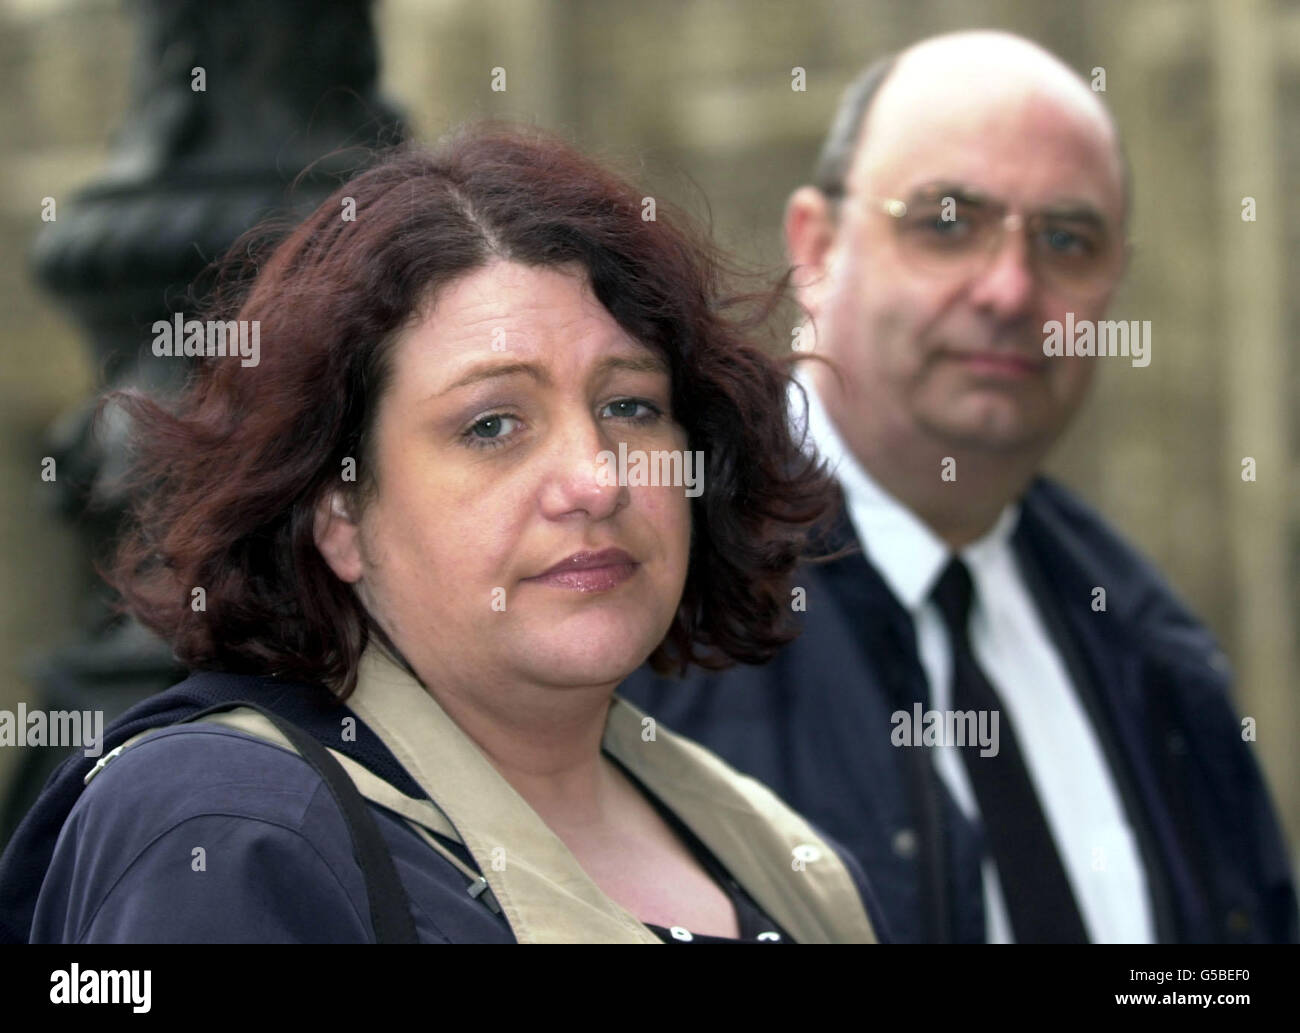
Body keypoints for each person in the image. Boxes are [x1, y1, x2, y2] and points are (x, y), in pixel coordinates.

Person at [0, 125, 885, 944]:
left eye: (629, 405)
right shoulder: (227, 832)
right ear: (337, 512)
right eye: (492, 424)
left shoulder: (788, 857)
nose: (599, 478)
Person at [622, 30, 1298, 943]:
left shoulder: (1153, 648)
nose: (1011, 289)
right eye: (947, 222)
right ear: (815, 247)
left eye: (1068, 238)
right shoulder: (650, 605)